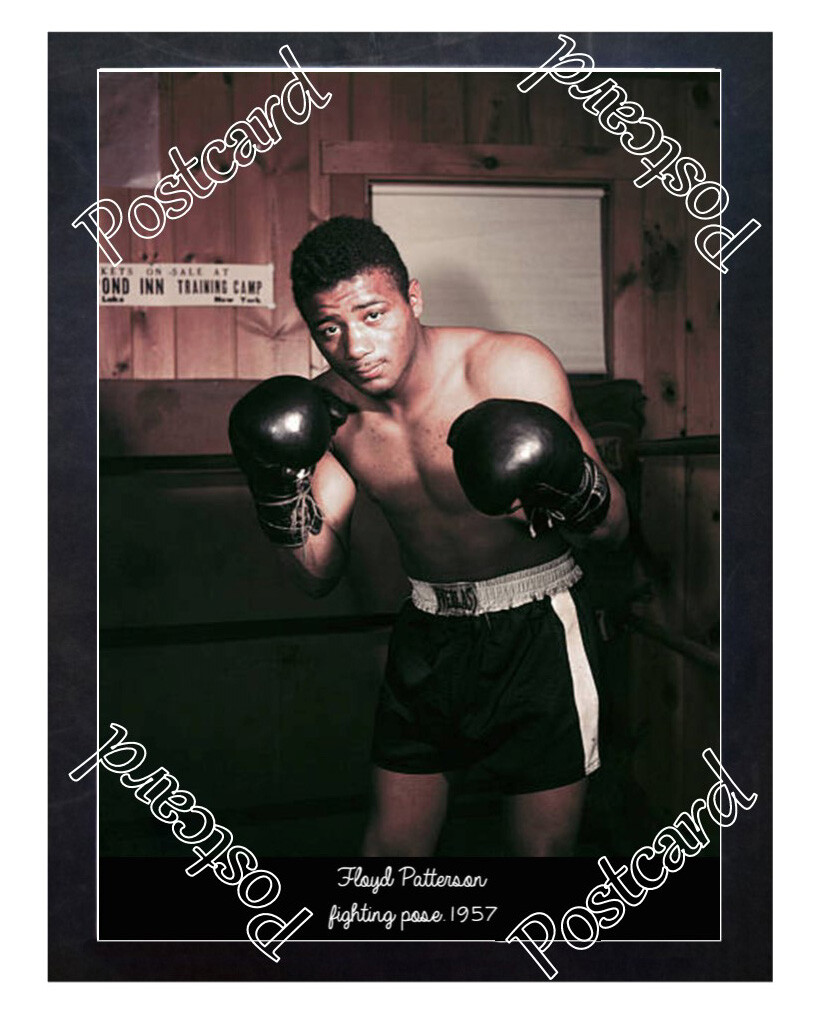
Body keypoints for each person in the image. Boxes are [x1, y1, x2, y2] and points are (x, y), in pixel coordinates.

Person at [229, 216, 629, 857]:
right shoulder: (328, 412)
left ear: (412, 299)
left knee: (542, 857)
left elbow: (614, 529)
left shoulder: (507, 366)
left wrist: (565, 481)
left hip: (540, 630)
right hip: (428, 630)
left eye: (373, 314)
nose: (355, 346)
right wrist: (275, 490)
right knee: (389, 852)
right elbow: (316, 574)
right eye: (329, 328)